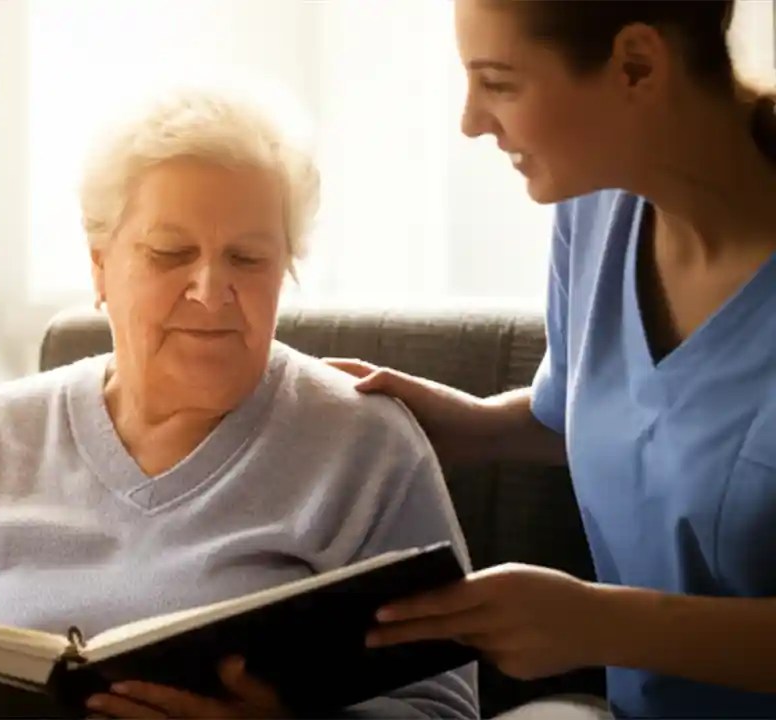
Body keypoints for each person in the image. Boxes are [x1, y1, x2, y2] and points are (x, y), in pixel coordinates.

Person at [0, 88, 479, 720]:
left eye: (249, 258)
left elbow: (444, 709)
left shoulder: (367, 445)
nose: (210, 289)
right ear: (101, 267)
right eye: (169, 253)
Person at [328, 1, 776, 718]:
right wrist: (470, 425)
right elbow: (618, 418)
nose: (471, 121)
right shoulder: (596, 209)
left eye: (499, 83)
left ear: (637, 65)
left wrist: (600, 624)